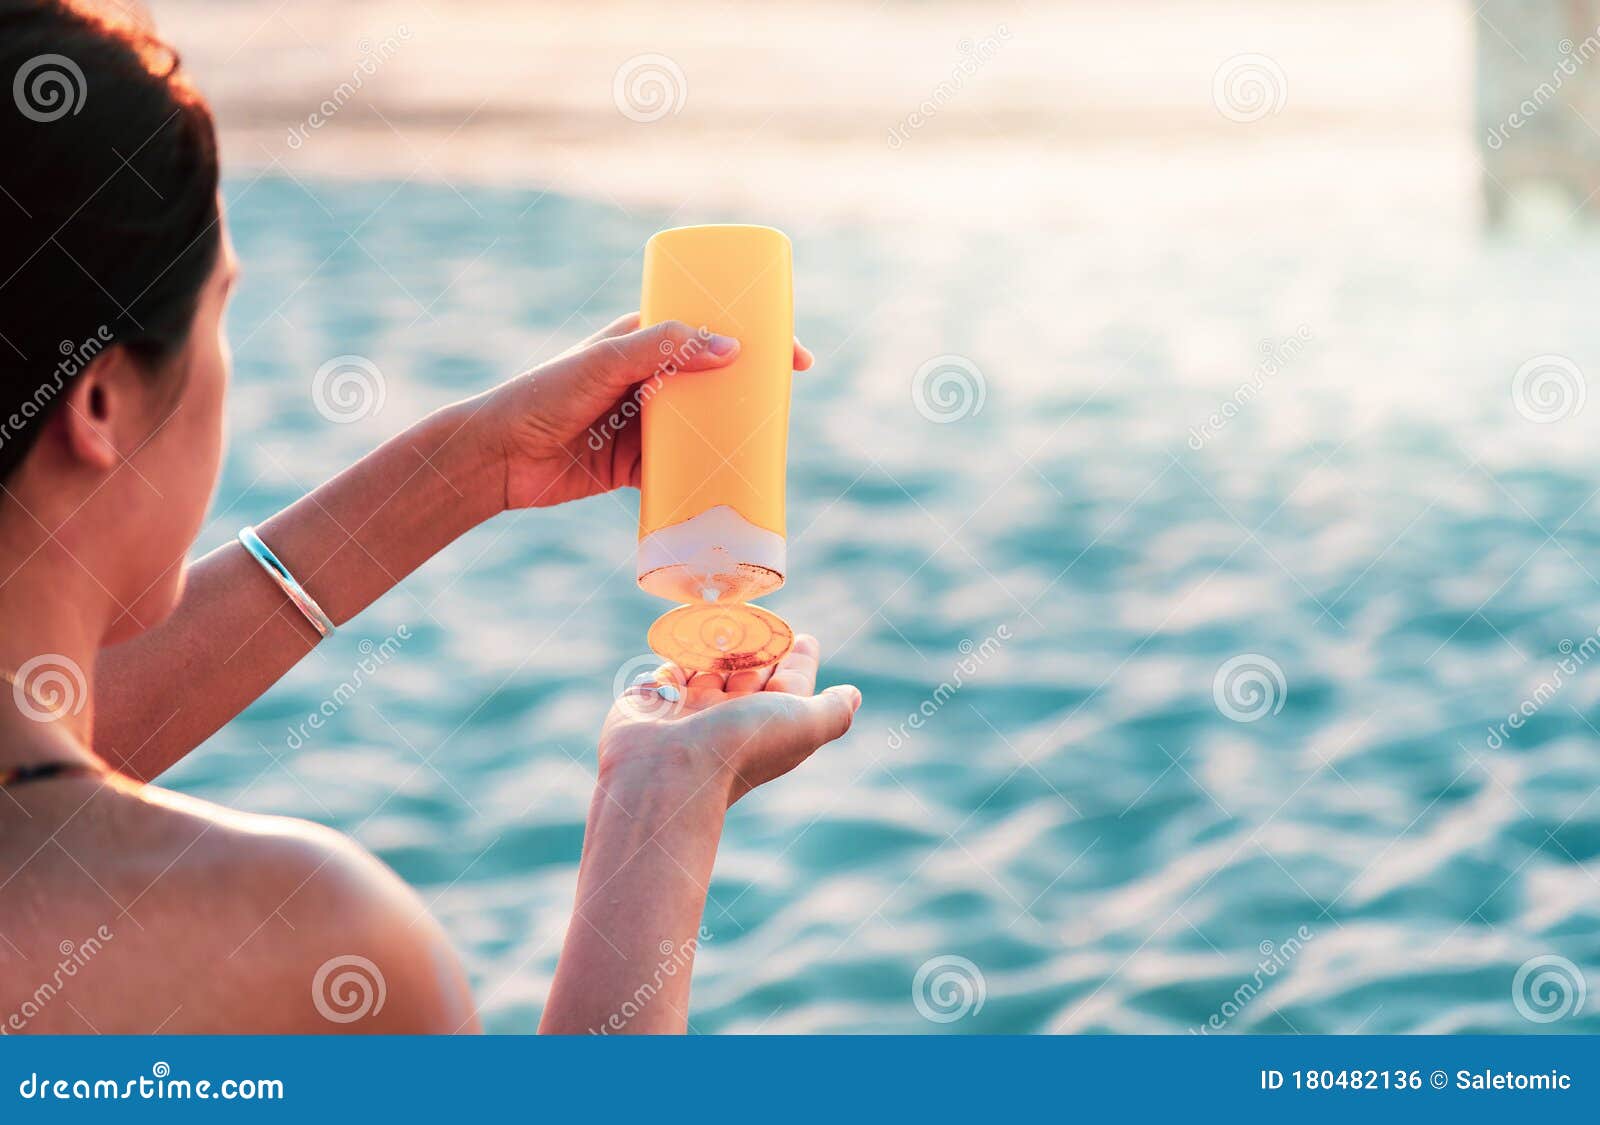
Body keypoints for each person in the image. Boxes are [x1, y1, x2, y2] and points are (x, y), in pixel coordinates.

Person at [0, 0, 860, 1034]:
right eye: (220, 315)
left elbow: (58, 757)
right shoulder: (302, 937)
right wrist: (660, 805)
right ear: (98, 402)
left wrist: (474, 465)